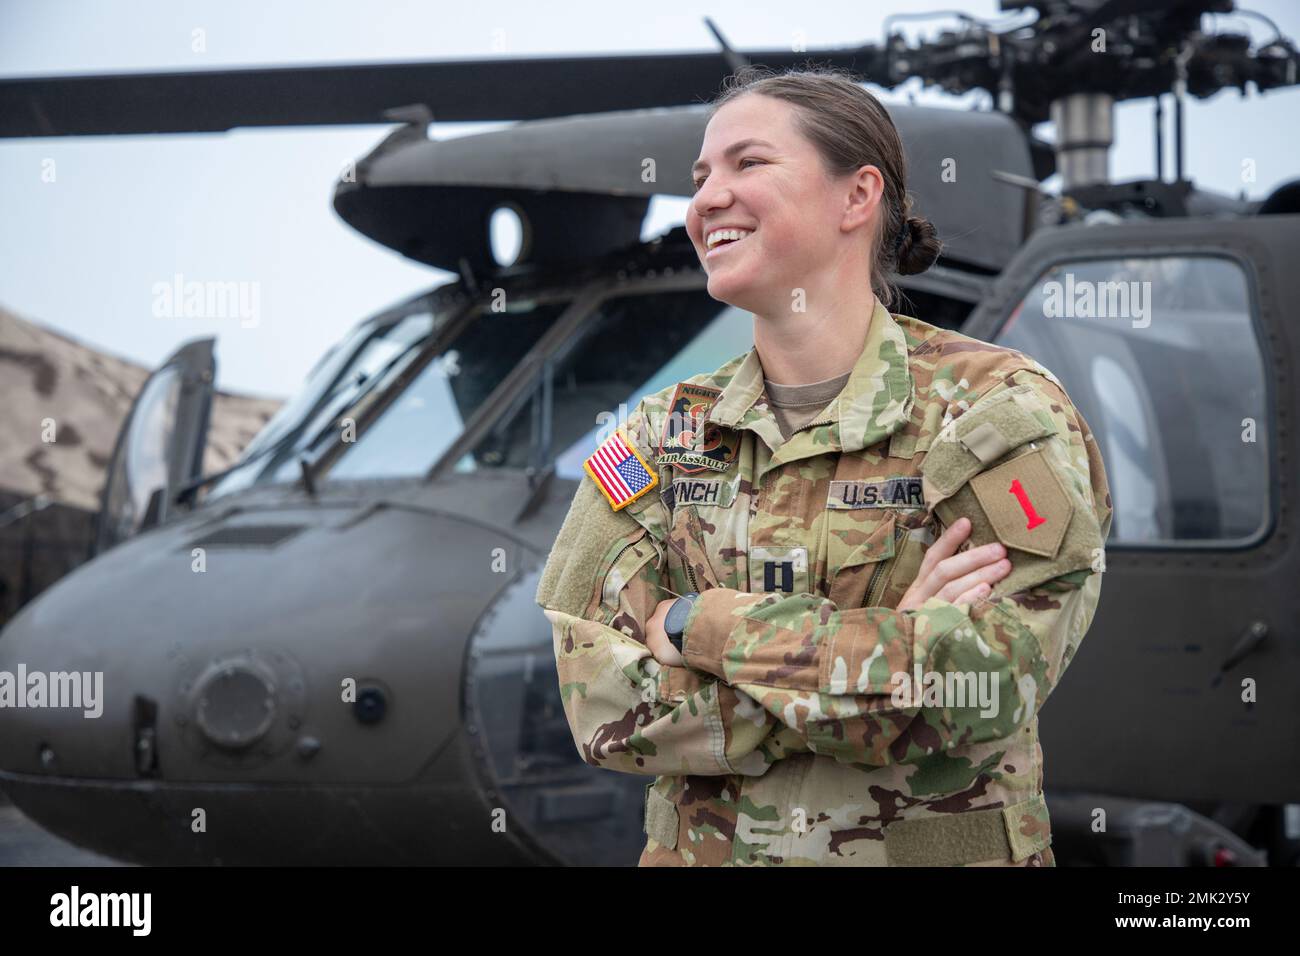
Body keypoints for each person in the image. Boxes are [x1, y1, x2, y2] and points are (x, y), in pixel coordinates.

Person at [536, 65, 1111, 867]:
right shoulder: (660, 433)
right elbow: (600, 708)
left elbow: (983, 689)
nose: (705, 199)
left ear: (857, 196)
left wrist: (691, 625)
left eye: (748, 163)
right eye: (700, 177)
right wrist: (884, 666)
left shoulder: (992, 414)